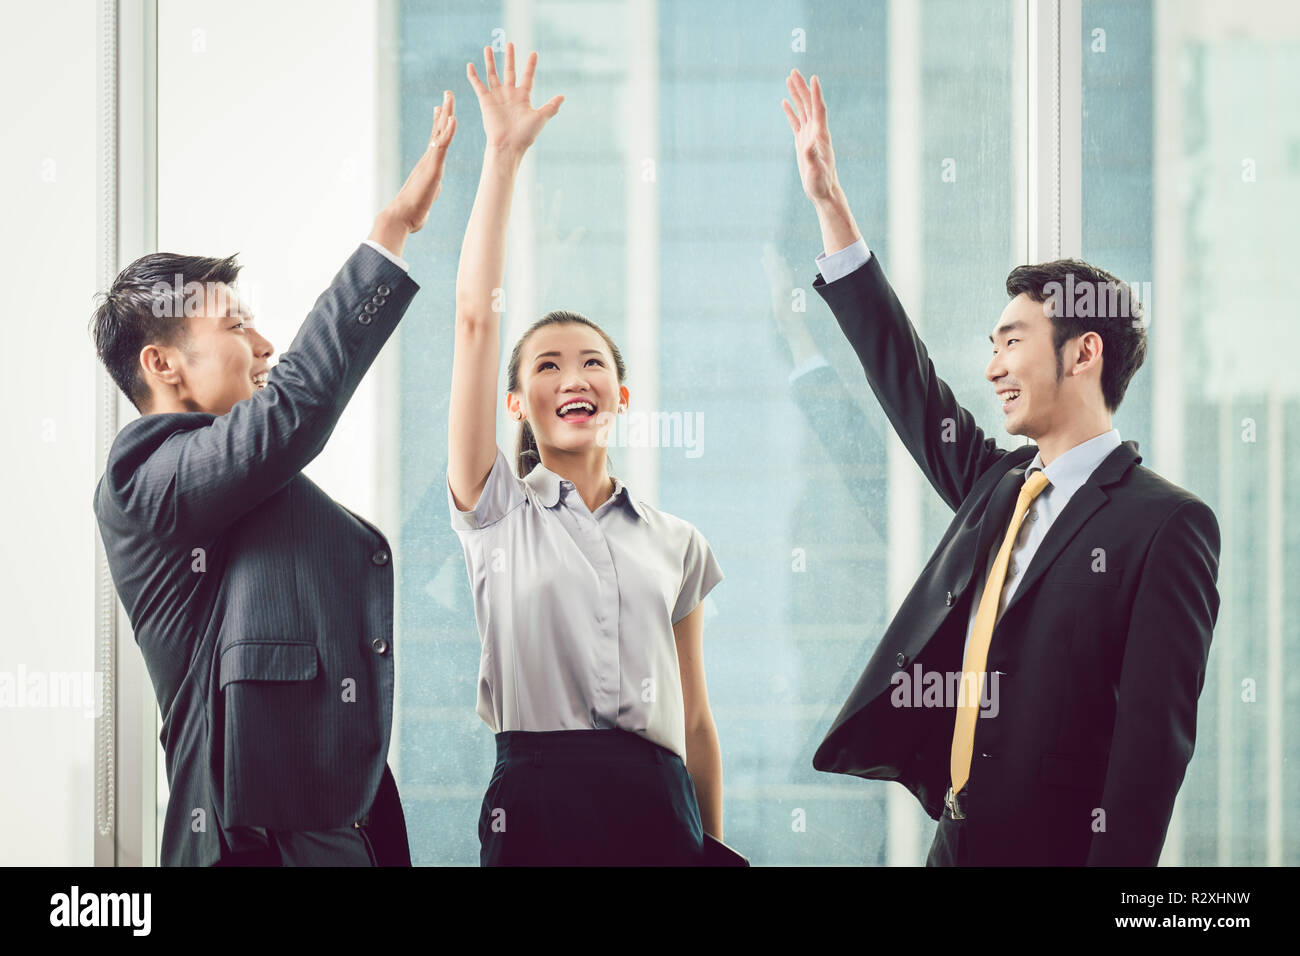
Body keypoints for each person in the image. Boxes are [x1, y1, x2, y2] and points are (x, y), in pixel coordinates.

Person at [782, 69, 1221, 865]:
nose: (992, 368)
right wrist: (830, 207)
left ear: (1084, 351)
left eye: (1012, 340)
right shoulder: (1000, 487)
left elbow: (1151, 754)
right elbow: (907, 384)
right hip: (954, 843)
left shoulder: (1167, 525)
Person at [90, 89, 458, 865]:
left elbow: (388, 560)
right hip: (250, 847)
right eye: (234, 326)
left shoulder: (249, 488)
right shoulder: (144, 481)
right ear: (163, 366)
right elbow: (296, 407)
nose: (264, 342)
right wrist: (391, 231)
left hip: (345, 837)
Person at [447, 43, 725, 866]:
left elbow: (698, 722)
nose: (574, 375)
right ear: (516, 405)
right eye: (548, 365)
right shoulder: (495, 510)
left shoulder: (678, 541)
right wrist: (502, 160)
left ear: (620, 396)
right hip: (538, 802)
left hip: (659, 807)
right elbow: (473, 319)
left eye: (593, 362)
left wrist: (712, 845)